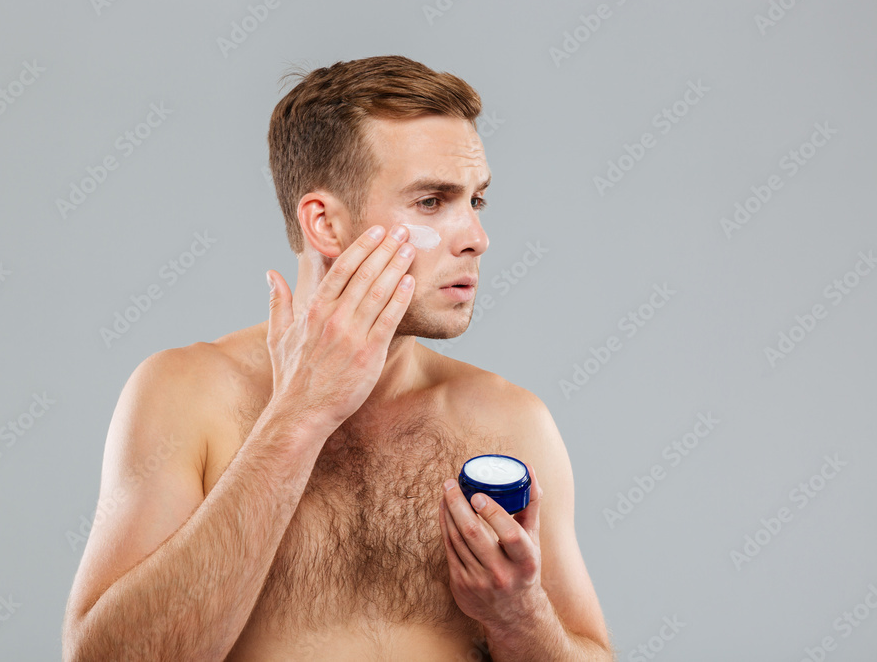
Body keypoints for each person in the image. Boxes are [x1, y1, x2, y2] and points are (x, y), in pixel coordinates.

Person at [62, 55, 614, 661]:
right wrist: (299, 414)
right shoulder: (185, 395)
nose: (475, 238)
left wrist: (521, 616)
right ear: (325, 224)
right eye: (432, 202)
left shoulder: (509, 422)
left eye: (476, 202)